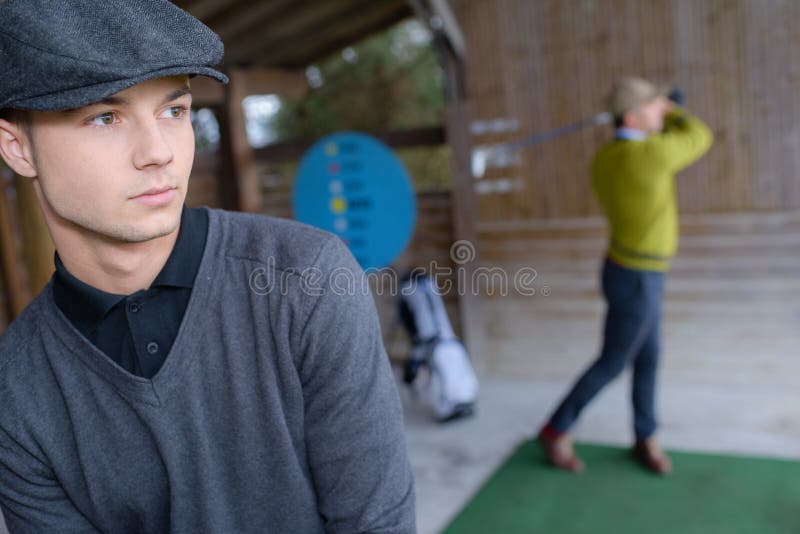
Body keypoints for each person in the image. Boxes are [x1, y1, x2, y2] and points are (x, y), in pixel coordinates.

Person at [0, 1, 415, 532]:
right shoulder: (17, 392)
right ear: (18, 147)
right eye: (105, 117)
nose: (158, 153)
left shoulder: (307, 279)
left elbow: (376, 522)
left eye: (174, 111)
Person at [538, 77, 713, 475]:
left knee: (648, 358)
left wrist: (661, 114)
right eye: (654, 105)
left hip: (628, 271)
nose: (662, 110)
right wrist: (678, 112)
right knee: (614, 363)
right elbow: (701, 136)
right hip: (638, 279)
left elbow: (660, 138)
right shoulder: (650, 156)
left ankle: (645, 436)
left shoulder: (605, 158)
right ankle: (555, 428)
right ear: (633, 116)